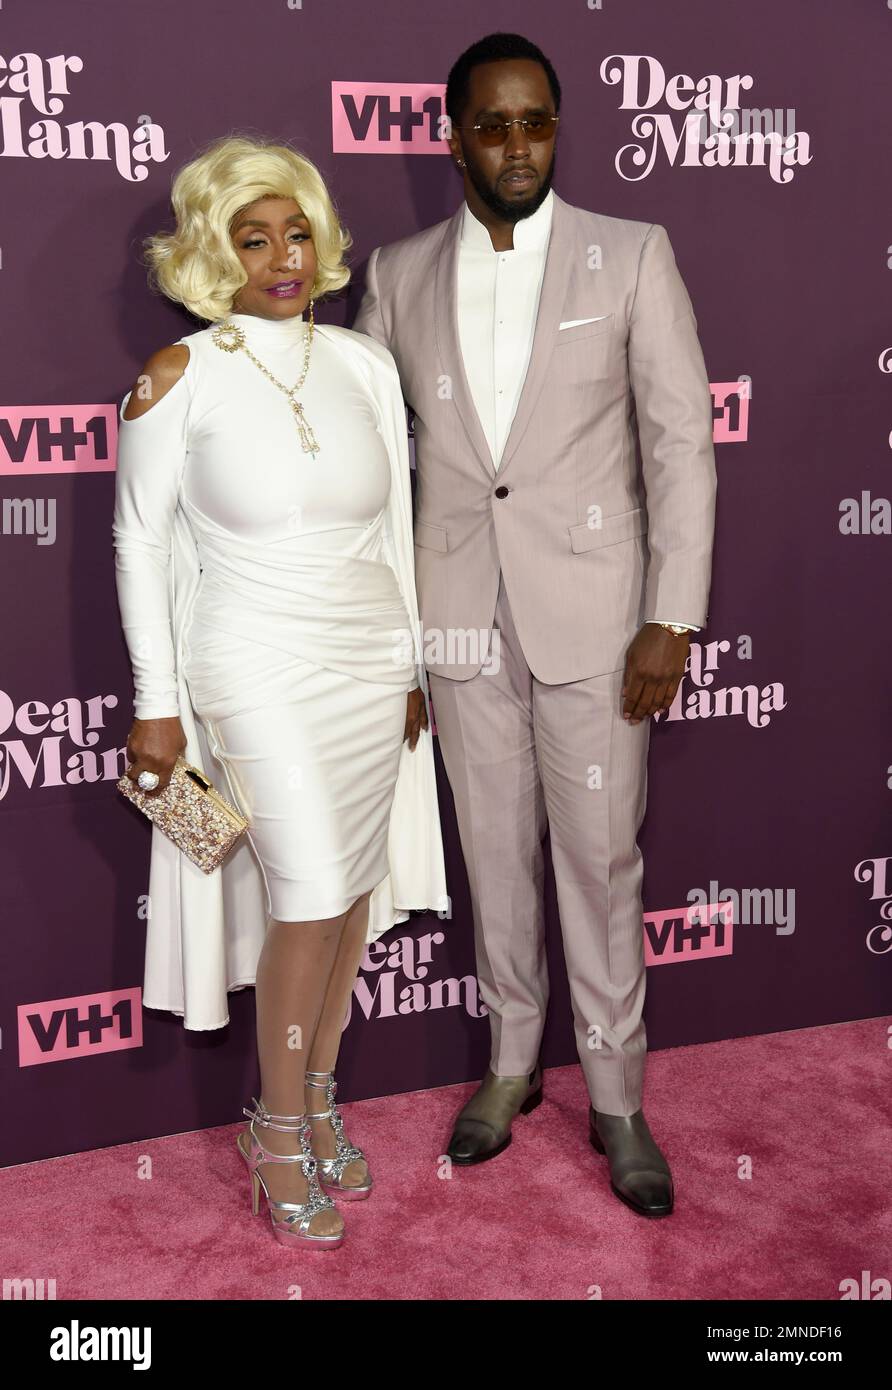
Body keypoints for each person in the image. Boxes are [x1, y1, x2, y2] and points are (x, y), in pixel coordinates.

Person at [354, 32, 717, 1218]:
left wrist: (671, 615)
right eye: (493, 125)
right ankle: (511, 1064)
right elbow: (365, 466)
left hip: (598, 621)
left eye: (536, 122)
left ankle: (616, 1096)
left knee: (600, 859)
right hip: (458, 622)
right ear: (452, 137)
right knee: (494, 854)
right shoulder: (397, 274)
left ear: (558, 128)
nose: (517, 146)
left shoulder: (632, 253)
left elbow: (679, 444)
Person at [112, 135, 447, 1249]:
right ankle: (278, 1132)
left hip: (368, 664)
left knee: (349, 897)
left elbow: (393, 530)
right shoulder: (179, 375)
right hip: (253, 666)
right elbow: (138, 544)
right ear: (213, 255)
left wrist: (410, 664)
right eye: (251, 239)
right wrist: (156, 703)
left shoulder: (363, 365)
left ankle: (316, 1096)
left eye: (296, 233)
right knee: (306, 897)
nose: (283, 257)